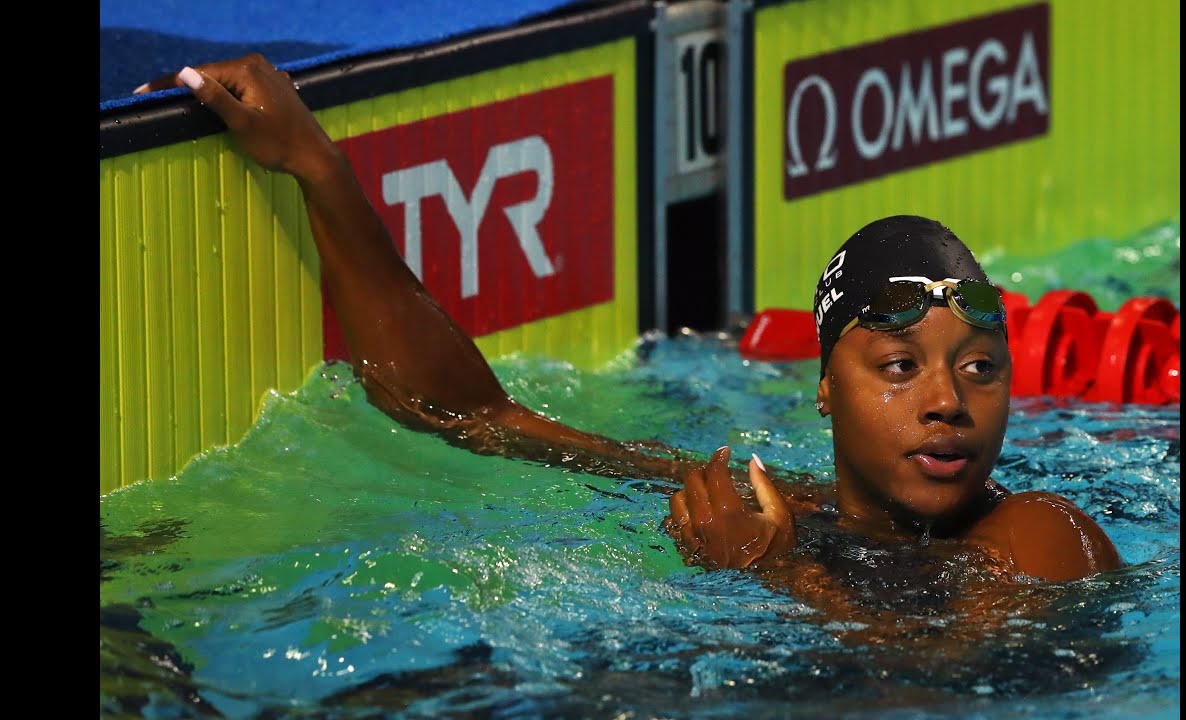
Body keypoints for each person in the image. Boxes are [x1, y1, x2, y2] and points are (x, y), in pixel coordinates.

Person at [135, 55, 1122, 600]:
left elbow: (939, 694)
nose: (946, 401)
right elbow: (473, 416)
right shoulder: (801, 507)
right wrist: (317, 167)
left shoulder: (1042, 537)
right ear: (823, 388)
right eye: (899, 364)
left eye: (979, 369)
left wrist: (776, 578)